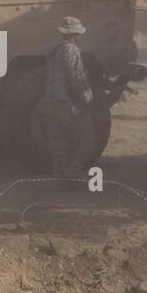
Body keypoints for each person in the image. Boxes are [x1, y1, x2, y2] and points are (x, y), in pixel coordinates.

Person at [36, 15, 96, 188]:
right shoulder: (71, 49)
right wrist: (88, 97)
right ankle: (74, 172)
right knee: (87, 138)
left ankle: (60, 179)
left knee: (59, 142)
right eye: (79, 34)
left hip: (49, 103)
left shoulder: (53, 51)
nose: (80, 37)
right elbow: (76, 76)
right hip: (66, 104)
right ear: (75, 35)